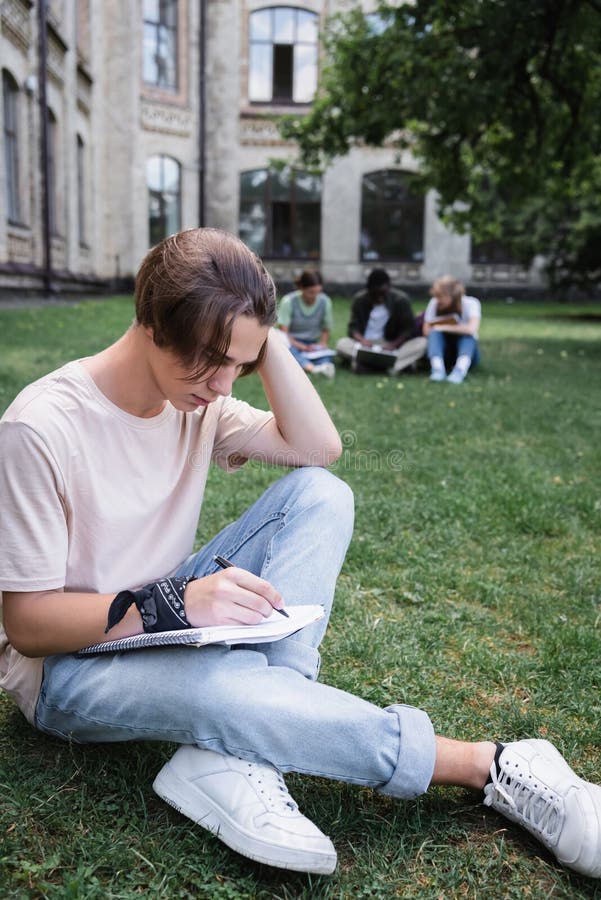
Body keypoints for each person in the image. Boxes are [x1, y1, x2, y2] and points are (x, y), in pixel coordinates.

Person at [0, 228, 599, 880]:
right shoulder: (41, 427)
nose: (224, 385)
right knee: (223, 691)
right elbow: (27, 627)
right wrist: (174, 603)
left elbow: (319, 450)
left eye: (241, 364)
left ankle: (236, 756)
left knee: (319, 494)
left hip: (167, 614)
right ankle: (493, 765)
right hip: (67, 668)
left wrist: (261, 334)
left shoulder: (197, 399)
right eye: (210, 358)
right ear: (148, 321)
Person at [336, 268, 426, 374]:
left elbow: (408, 330)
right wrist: (362, 340)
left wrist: (393, 345)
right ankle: (394, 366)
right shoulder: (359, 300)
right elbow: (353, 328)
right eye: (375, 294)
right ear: (368, 290)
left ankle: (369, 365)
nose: (379, 298)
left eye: (382, 294)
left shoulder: (401, 300)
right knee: (341, 344)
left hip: (392, 345)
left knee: (422, 343)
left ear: (389, 287)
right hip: (366, 345)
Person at [277, 269, 335, 378]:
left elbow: (326, 328)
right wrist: (302, 347)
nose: (314, 296)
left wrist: (322, 344)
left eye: (318, 292)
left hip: (312, 344)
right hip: (292, 342)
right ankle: (312, 368)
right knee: (286, 350)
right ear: (301, 288)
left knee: (325, 356)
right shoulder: (289, 301)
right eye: (311, 292)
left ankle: (310, 365)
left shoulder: (325, 301)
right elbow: (283, 333)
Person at [424, 275, 481, 383]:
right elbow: (426, 331)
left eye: (440, 296)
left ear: (452, 295)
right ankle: (437, 369)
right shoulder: (434, 303)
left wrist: (443, 327)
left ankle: (460, 370)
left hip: (468, 354)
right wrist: (438, 329)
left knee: (467, 336)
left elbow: (471, 329)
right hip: (446, 352)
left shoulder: (471, 303)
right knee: (434, 332)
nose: (438, 299)